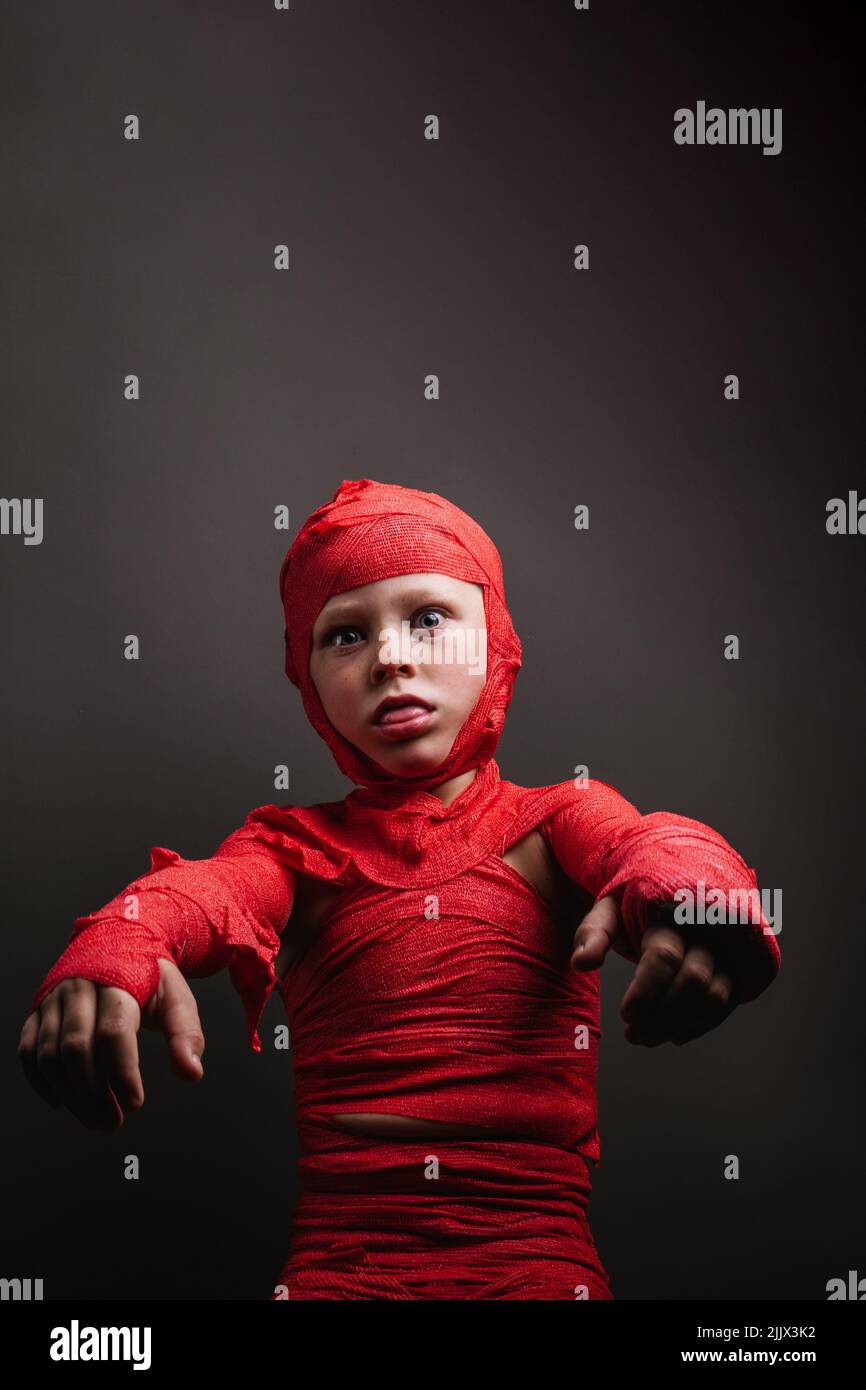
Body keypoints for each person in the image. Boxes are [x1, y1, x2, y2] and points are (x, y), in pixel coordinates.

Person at [19, 477, 781, 1300]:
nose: (390, 657)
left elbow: (651, 845)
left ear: (497, 641)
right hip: (342, 1273)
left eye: (429, 619)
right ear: (307, 682)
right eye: (344, 635)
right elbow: (204, 894)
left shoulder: (557, 822)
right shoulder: (295, 852)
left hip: (536, 1266)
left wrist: (690, 897)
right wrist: (120, 936)